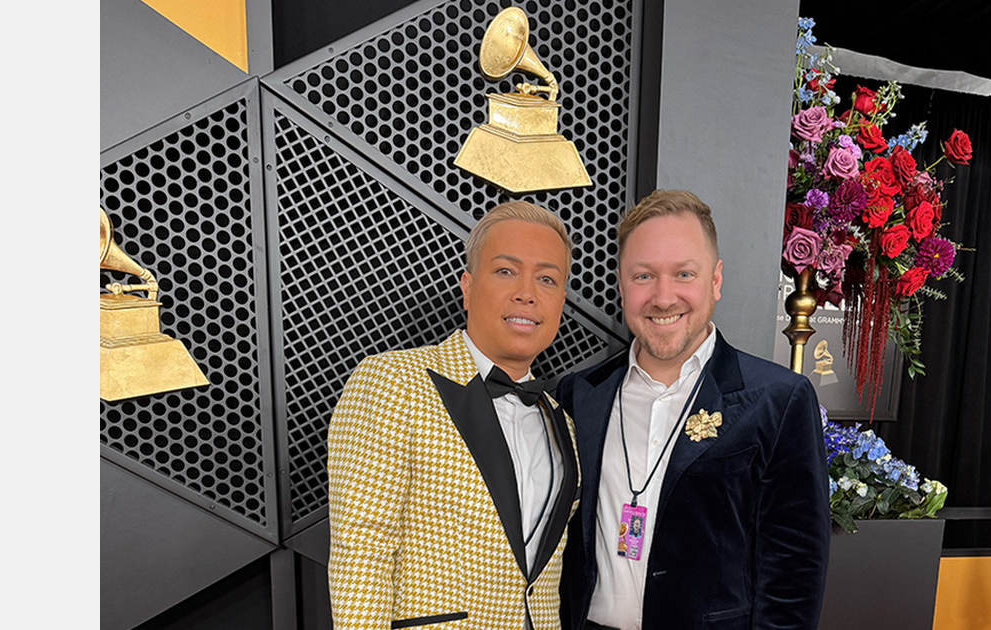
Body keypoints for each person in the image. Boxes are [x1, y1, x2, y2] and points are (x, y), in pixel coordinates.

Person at [556, 190, 831, 630]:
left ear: (715, 280)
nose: (664, 298)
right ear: (622, 284)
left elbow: (795, 570)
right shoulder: (580, 394)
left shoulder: (778, 401)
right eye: (643, 276)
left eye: (684, 273)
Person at [327, 201, 581, 630]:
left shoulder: (562, 422)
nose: (527, 292)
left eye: (547, 279)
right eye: (505, 271)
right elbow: (361, 553)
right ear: (467, 287)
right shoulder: (391, 382)